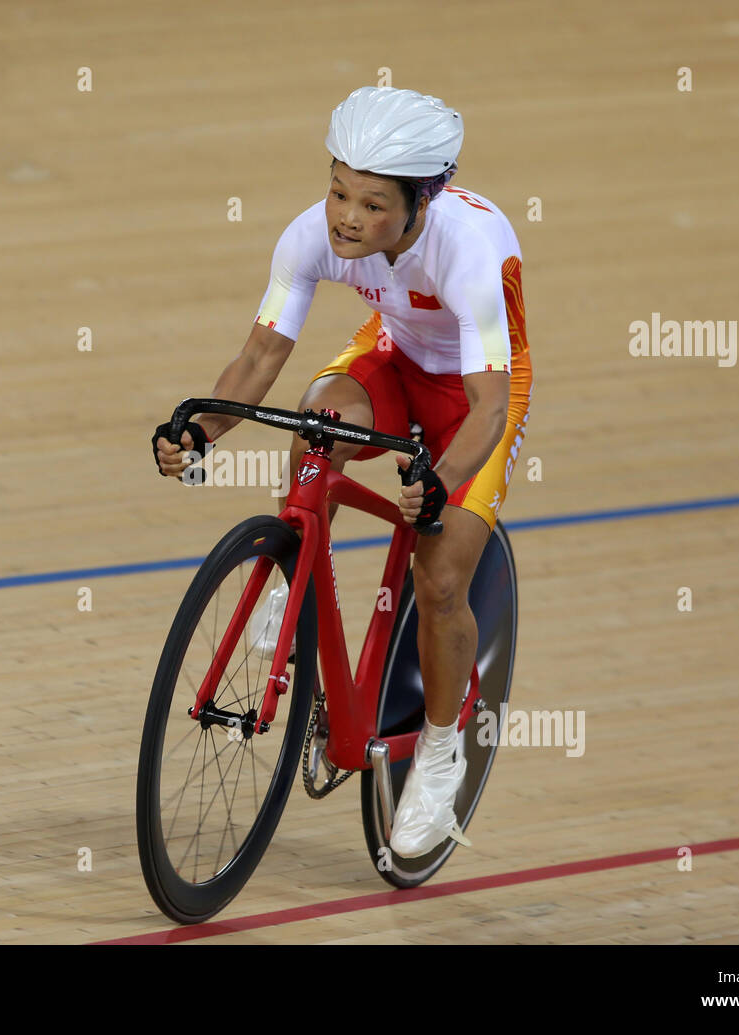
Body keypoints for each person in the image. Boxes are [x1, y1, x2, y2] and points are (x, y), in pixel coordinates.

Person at [151, 86, 533, 858]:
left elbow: (489, 406)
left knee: (442, 577)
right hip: (394, 357)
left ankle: (437, 749)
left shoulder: (471, 249)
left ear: (421, 201)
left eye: (371, 204)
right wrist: (201, 429)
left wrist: (438, 478)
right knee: (316, 423)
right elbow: (260, 357)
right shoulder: (309, 237)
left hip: (477, 392)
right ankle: (295, 579)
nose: (346, 217)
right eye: (336, 191)